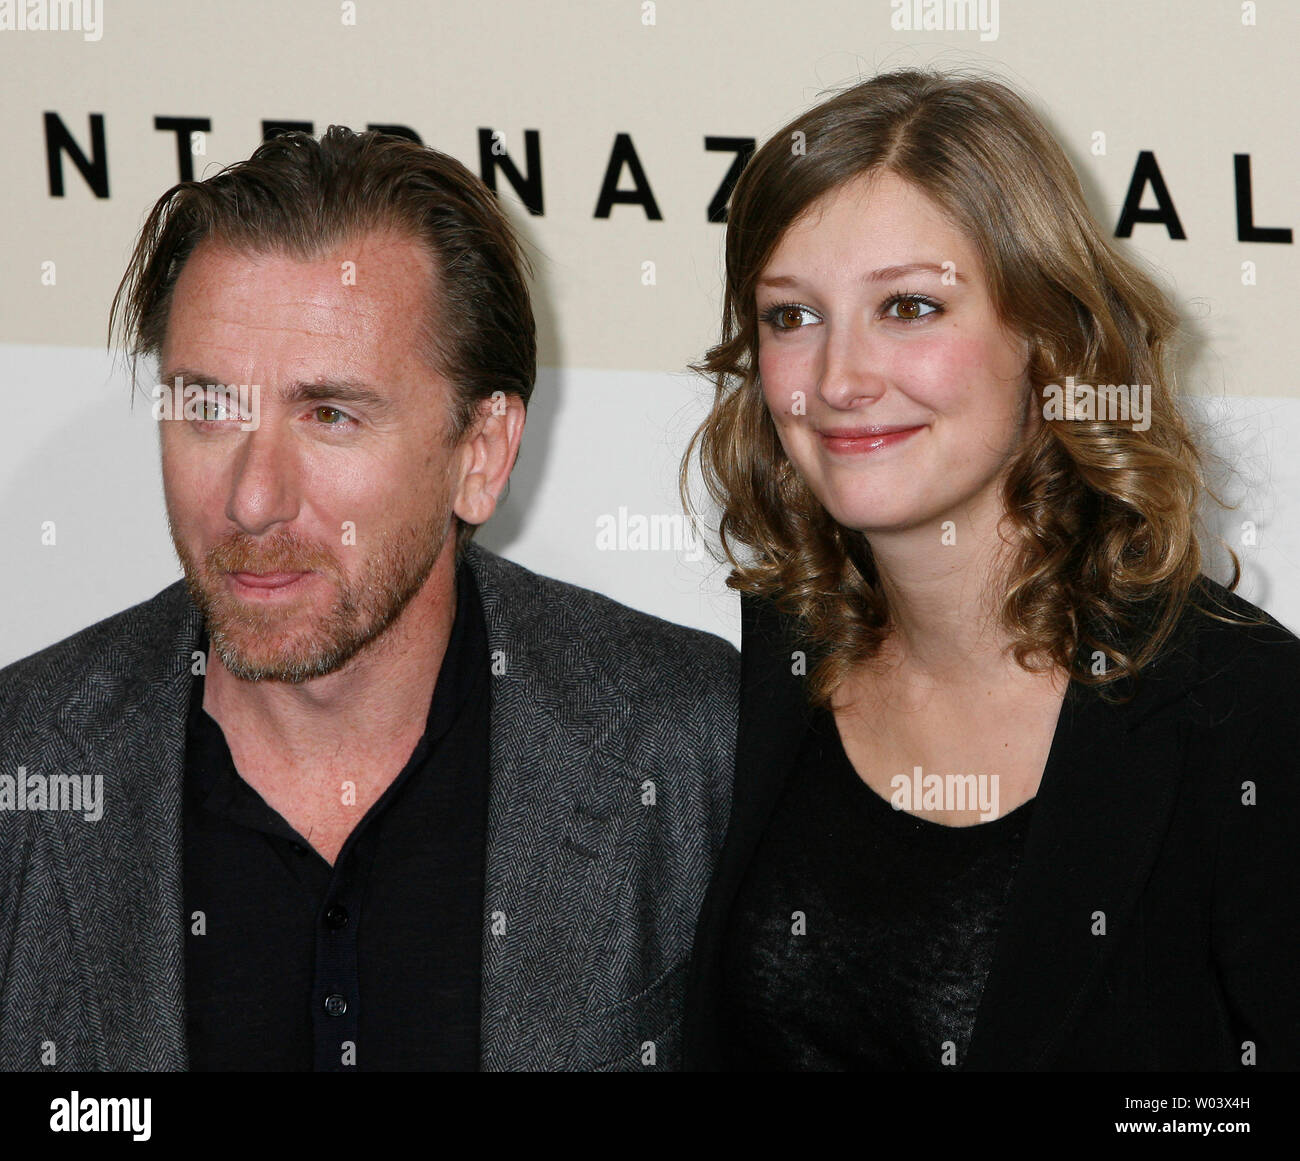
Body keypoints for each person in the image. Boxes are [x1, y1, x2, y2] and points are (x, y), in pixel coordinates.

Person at [0, 127, 737, 1072]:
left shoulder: (688, 749)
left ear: (481, 455)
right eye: (208, 408)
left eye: (331, 416)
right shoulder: (29, 766)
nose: (252, 499)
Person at [680, 68, 1300, 1071]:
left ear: (1047, 340)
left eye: (910, 307)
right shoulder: (765, 661)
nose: (839, 379)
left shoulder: (1244, 715)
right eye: (792, 317)